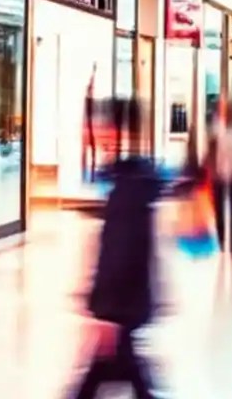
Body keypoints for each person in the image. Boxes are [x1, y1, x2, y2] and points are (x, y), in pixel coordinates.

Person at [75, 97, 162, 398]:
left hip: (120, 307)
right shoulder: (132, 181)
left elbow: (120, 253)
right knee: (125, 375)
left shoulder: (127, 189)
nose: (93, 132)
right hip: (127, 305)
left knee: (98, 379)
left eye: (101, 125)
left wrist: (107, 315)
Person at [204, 101, 232, 256]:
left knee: (221, 211)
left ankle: (224, 241)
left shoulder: (217, 133)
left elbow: (209, 156)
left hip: (222, 177)